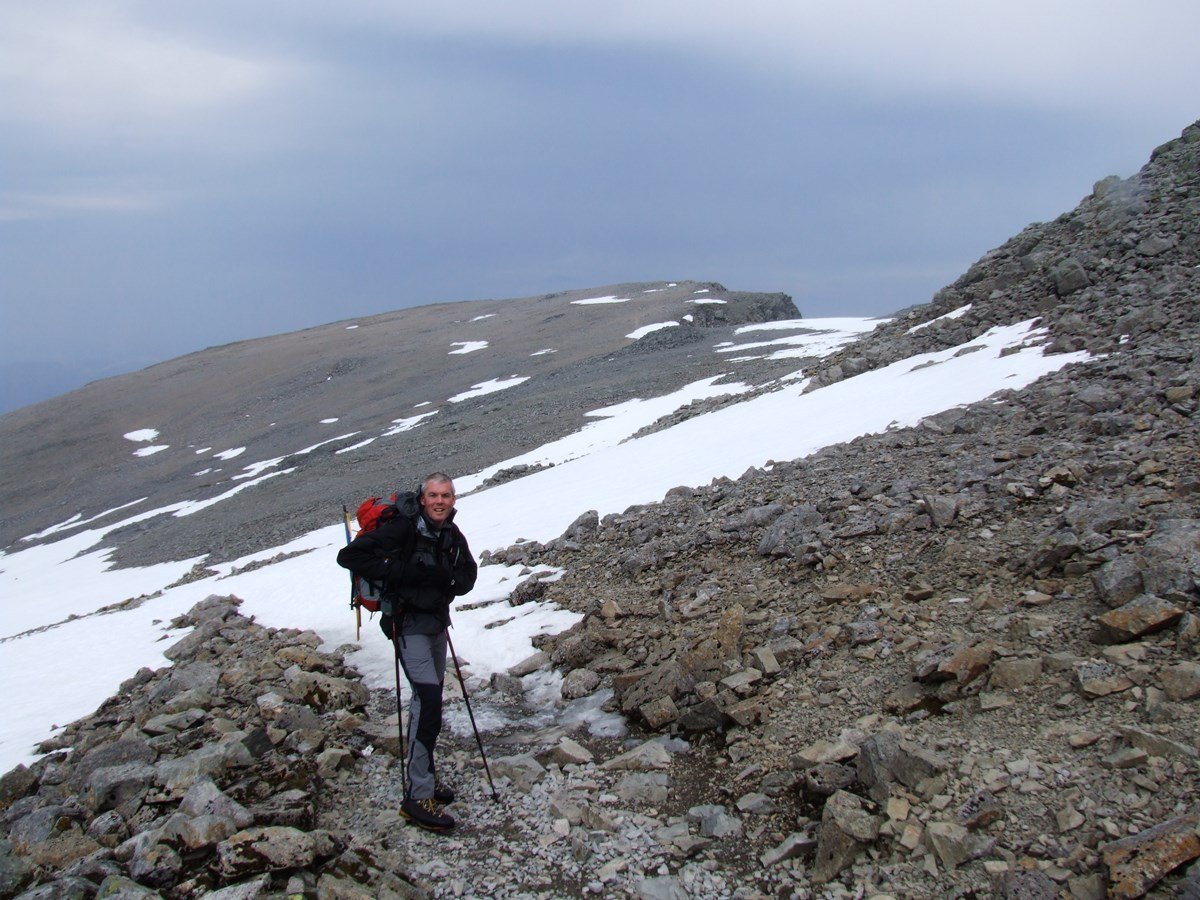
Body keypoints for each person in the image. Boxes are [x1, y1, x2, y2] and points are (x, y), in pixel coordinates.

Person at [337, 473, 477, 831]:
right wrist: (408, 574)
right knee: (427, 702)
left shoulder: (451, 533)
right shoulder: (403, 529)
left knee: (427, 704)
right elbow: (349, 556)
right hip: (407, 625)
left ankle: (424, 779)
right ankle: (417, 797)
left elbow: (468, 576)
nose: (439, 501)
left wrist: (445, 579)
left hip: (436, 624)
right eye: (433, 495)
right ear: (422, 497)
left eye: (445, 496)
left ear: (453, 499)